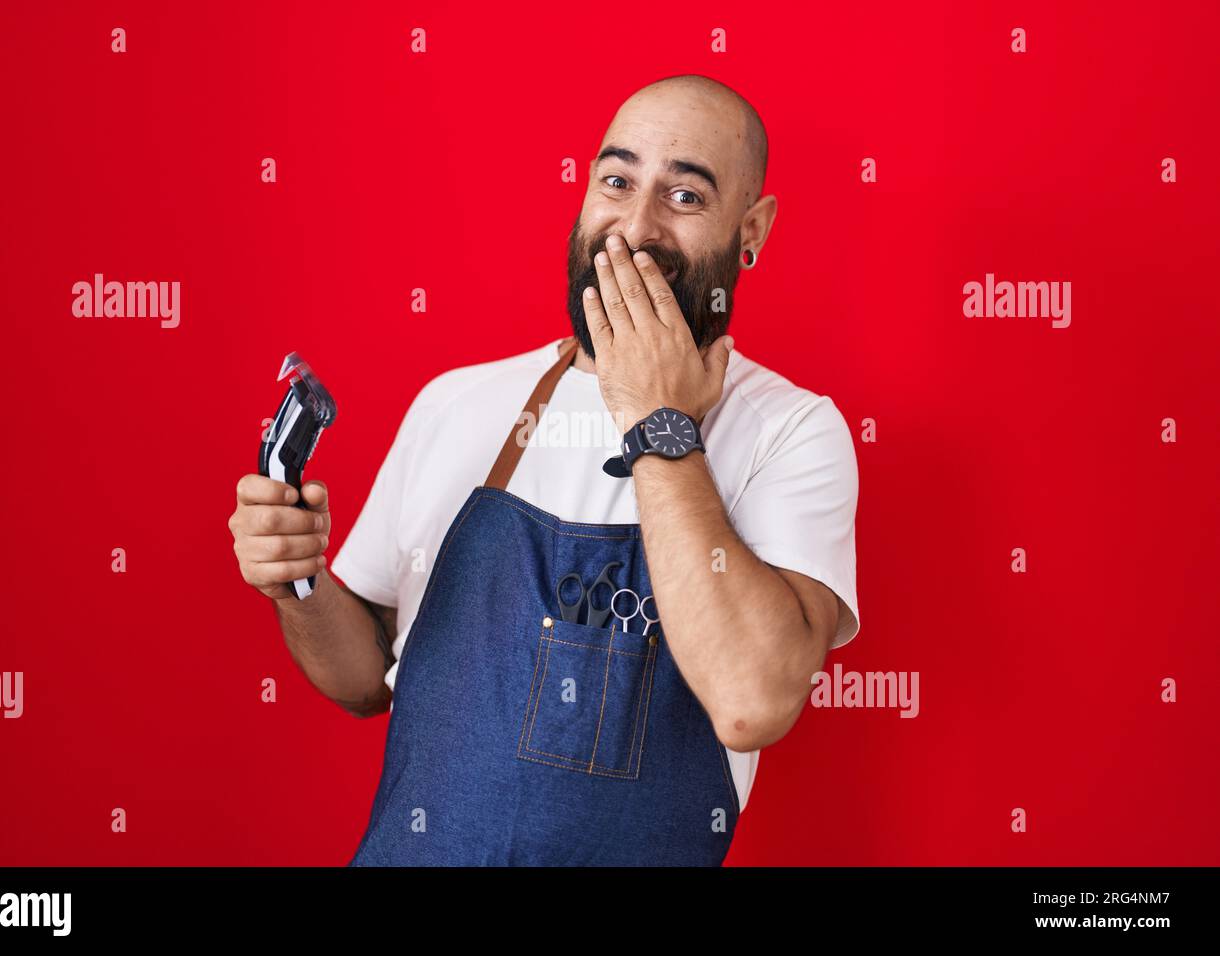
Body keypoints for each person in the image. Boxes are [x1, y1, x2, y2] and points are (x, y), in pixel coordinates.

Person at [228, 74, 860, 866]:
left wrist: (657, 423)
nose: (635, 226)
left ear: (752, 229)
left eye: (686, 197)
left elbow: (749, 703)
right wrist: (299, 583)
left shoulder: (793, 432)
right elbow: (364, 679)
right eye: (617, 181)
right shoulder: (456, 404)